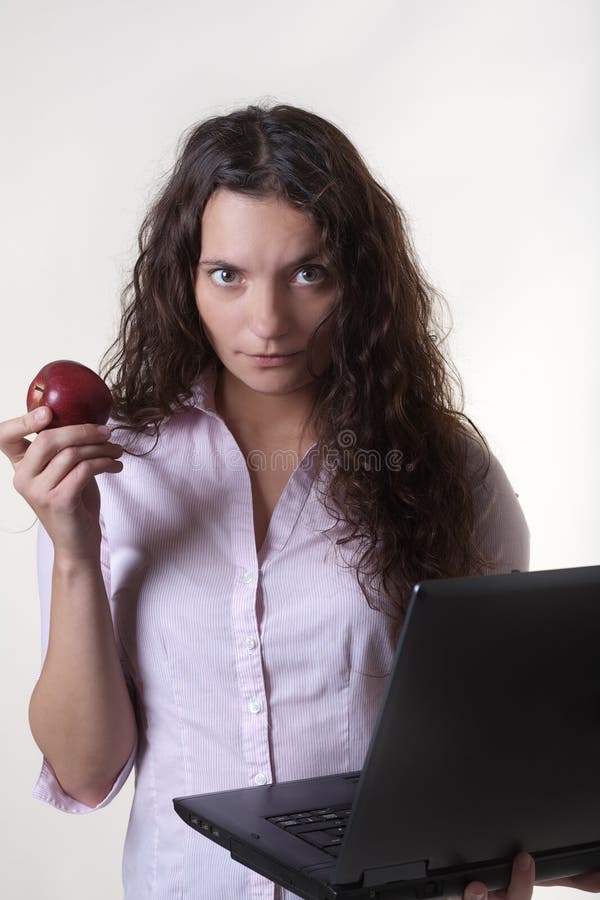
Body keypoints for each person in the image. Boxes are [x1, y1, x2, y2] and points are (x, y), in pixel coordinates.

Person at [1, 102, 595, 900]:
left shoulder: (445, 470)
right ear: (184, 278)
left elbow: (495, 746)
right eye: (228, 275)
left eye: (308, 273)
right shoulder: (115, 468)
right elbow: (84, 770)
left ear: (359, 279)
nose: (268, 322)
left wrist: (536, 858)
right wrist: (73, 551)